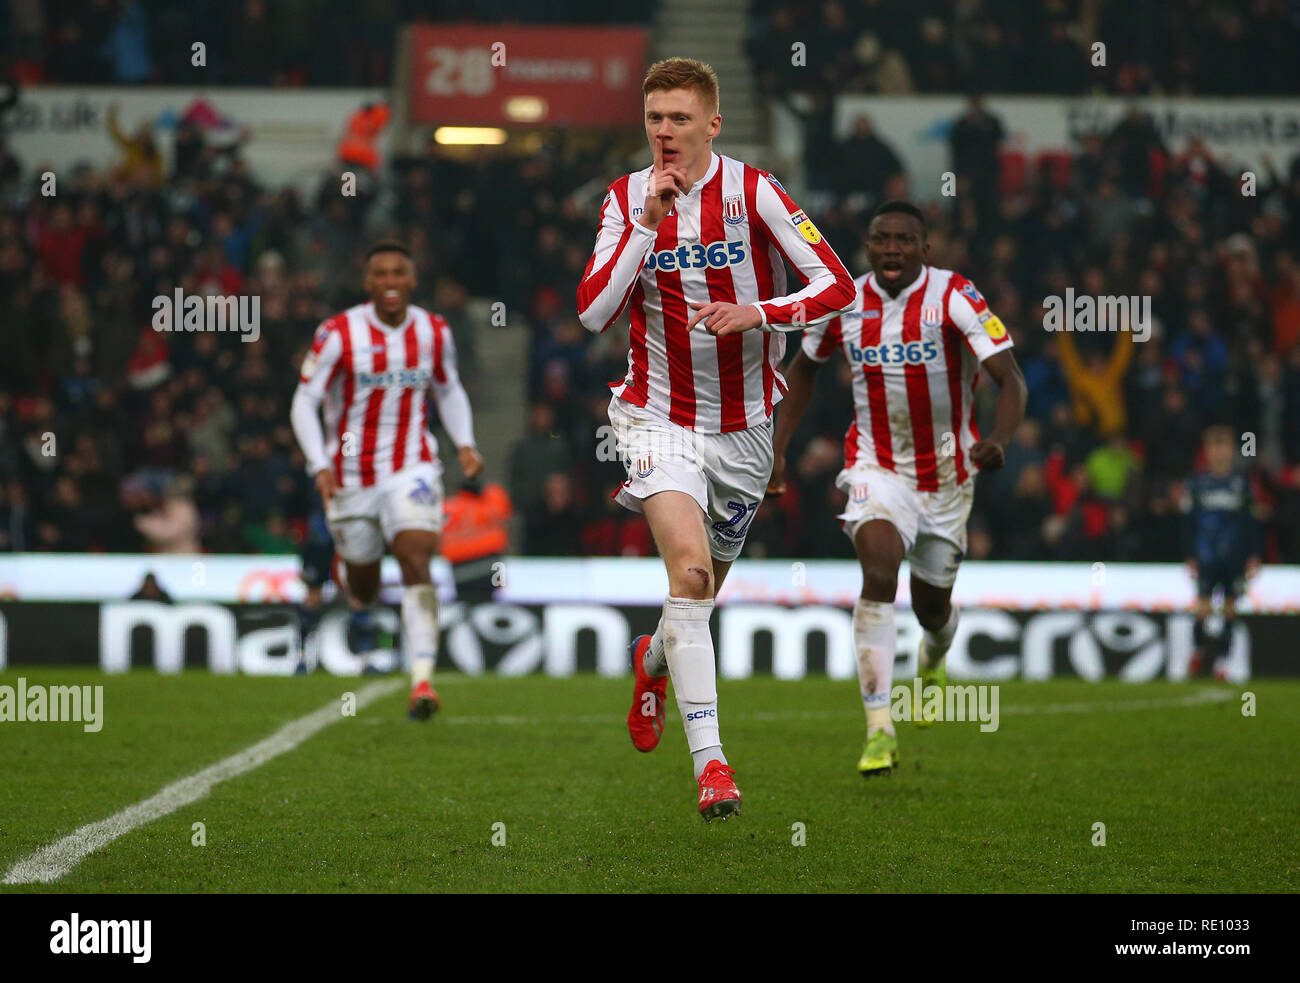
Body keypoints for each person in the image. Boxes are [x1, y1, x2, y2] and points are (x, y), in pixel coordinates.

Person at [577, 57, 855, 821]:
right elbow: (594, 313)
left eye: (678, 118)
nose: (664, 132)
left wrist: (759, 312)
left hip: (745, 431)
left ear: (711, 124)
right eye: (654, 118)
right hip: (655, 417)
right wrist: (644, 227)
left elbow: (838, 286)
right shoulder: (627, 198)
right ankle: (713, 767)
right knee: (691, 577)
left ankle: (655, 658)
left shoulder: (757, 192)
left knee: (698, 595)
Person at [771, 200, 1027, 776]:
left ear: (924, 248)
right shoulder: (843, 300)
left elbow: (1010, 379)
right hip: (876, 467)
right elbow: (804, 369)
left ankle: (934, 657)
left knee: (932, 607)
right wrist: (778, 447)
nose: (891, 249)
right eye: (881, 239)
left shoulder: (957, 295)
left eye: (904, 240)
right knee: (879, 570)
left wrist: (1000, 439)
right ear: (868, 246)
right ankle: (879, 725)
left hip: (948, 478)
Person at [291, 241, 484, 719]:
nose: (391, 281)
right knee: (364, 583)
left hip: (412, 465)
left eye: (400, 271)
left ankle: (422, 681)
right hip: (351, 475)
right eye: (381, 273)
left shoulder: (434, 331)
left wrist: (464, 442)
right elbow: (304, 402)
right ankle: (352, 570)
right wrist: (319, 463)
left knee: (416, 554)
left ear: (413, 279)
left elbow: (449, 388)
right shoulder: (337, 333)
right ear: (368, 282)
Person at [1182, 425, 1260, 678]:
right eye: (1214, 447)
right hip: (1206, 555)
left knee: (1229, 609)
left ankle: (1222, 664)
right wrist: (1189, 554)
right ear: (1207, 451)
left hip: (1234, 555)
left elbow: (1251, 521)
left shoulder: (1241, 482)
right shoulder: (1197, 483)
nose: (1219, 453)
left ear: (1231, 450)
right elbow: (1188, 521)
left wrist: (1254, 554)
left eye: (1223, 446)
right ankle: (1198, 651)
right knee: (1202, 609)